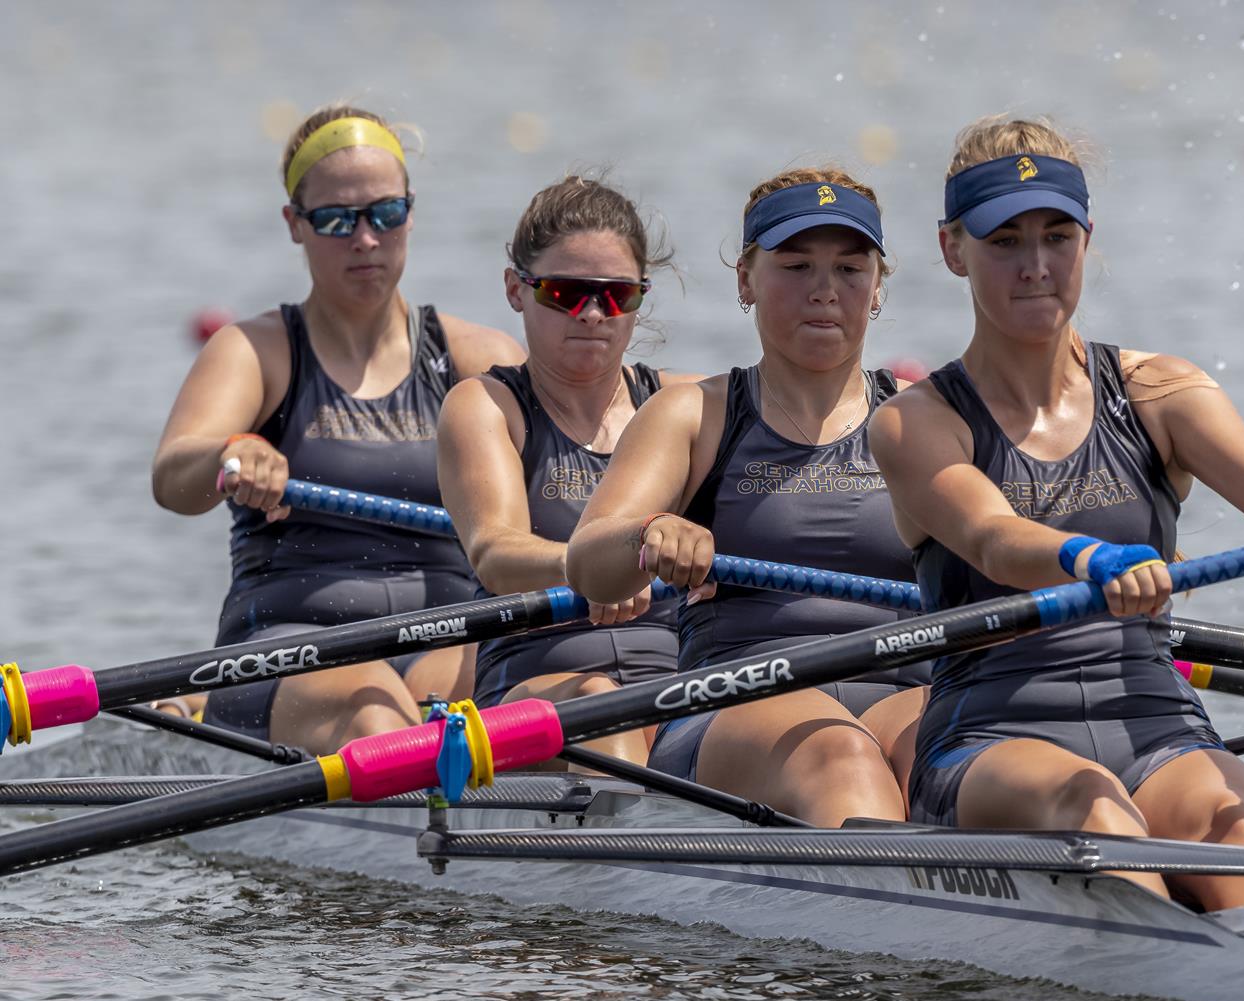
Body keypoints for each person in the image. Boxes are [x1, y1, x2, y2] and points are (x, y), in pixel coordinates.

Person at [869, 116, 1244, 909]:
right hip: (992, 736)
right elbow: (991, 537)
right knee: (1097, 811)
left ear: (1088, 237)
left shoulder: (1160, 391)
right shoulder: (915, 422)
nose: (1036, 267)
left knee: (1232, 828)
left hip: (1154, 717)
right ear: (953, 249)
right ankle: (1164, 996)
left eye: (1057, 237)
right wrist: (1089, 559)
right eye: (1004, 243)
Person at [151, 105, 524, 753]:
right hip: (289, 647)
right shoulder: (257, 352)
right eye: (335, 219)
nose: (366, 239)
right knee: (374, 714)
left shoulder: (475, 357)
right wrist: (230, 452)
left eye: (386, 214)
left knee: (503, 694)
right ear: (294, 225)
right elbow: (174, 478)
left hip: (440, 641)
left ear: (411, 210)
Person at [566, 168, 926, 825]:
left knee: (983, 740)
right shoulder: (693, 416)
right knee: (841, 756)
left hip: (905, 694)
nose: (824, 292)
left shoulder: (927, 421)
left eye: (850, 269)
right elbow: (590, 560)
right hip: (736, 700)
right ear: (745, 280)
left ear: (878, 289)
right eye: (795, 266)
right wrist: (647, 537)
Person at [438, 174, 697, 765]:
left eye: (616, 295)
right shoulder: (488, 406)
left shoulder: (685, 404)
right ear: (515, 289)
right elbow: (497, 554)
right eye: (565, 292)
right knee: (596, 698)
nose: (591, 313)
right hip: (539, 680)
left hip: (679, 682)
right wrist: (592, 570)